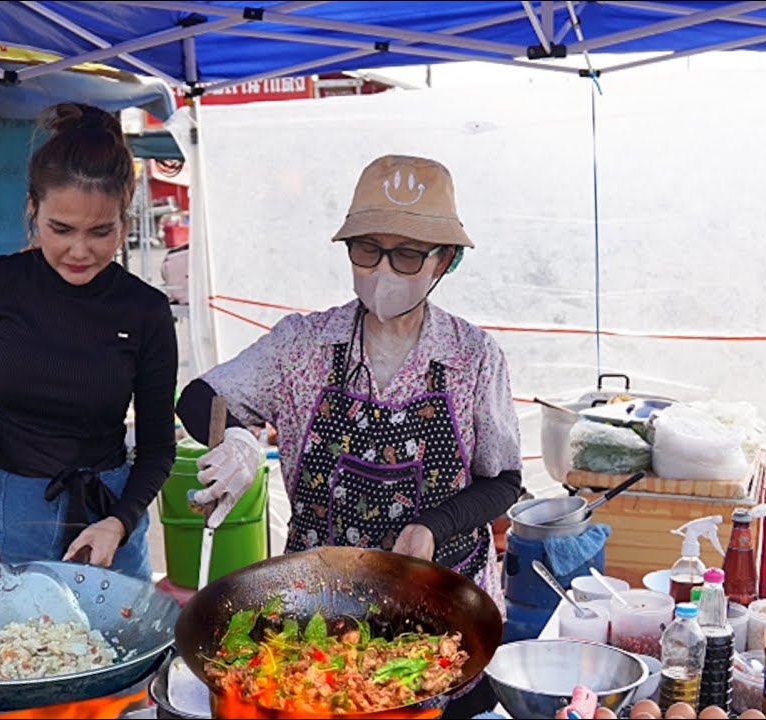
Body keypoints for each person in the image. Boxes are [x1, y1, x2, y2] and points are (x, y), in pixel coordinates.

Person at [176, 154, 522, 716]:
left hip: (441, 612)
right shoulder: (302, 345)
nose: (383, 270)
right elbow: (198, 397)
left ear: (446, 261)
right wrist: (237, 440)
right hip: (315, 609)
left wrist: (430, 527)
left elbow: (503, 479)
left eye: (408, 254)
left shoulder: (474, 357)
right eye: (368, 249)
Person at [0, 102, 178, 580]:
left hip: (107, 515)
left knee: (116, 648)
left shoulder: (144, 310)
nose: (80, 250)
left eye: (101, 232)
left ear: (125, 223)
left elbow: (156, 449)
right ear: (33, 209)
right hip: (4, 509)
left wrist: (119, 522)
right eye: (60, 229)